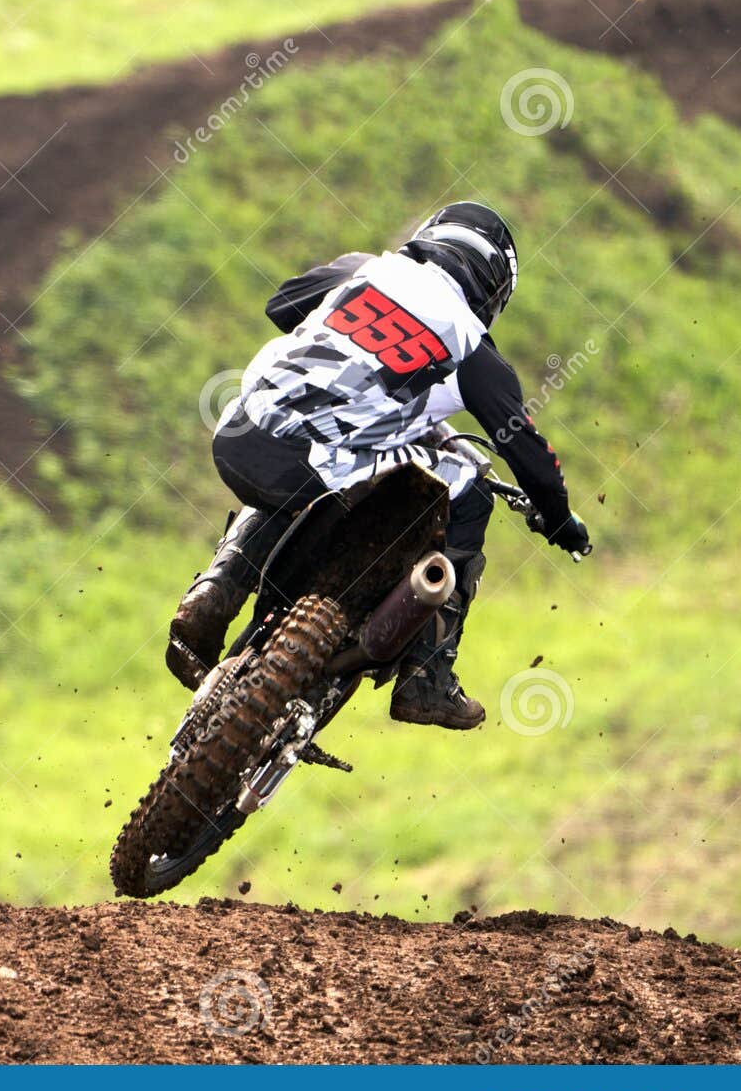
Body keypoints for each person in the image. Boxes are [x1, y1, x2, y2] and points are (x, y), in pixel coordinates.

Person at [165, 201, 590, 729]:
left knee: (307, 453)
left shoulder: (362, 270)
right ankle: (426, 677)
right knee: (470, 489)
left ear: (432, 238)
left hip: (238, 433)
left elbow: (282, 304)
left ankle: (213, 592)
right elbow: (529, 454)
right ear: (493, 288)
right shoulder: (471, 348)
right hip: (318, 464)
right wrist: (560, 521)